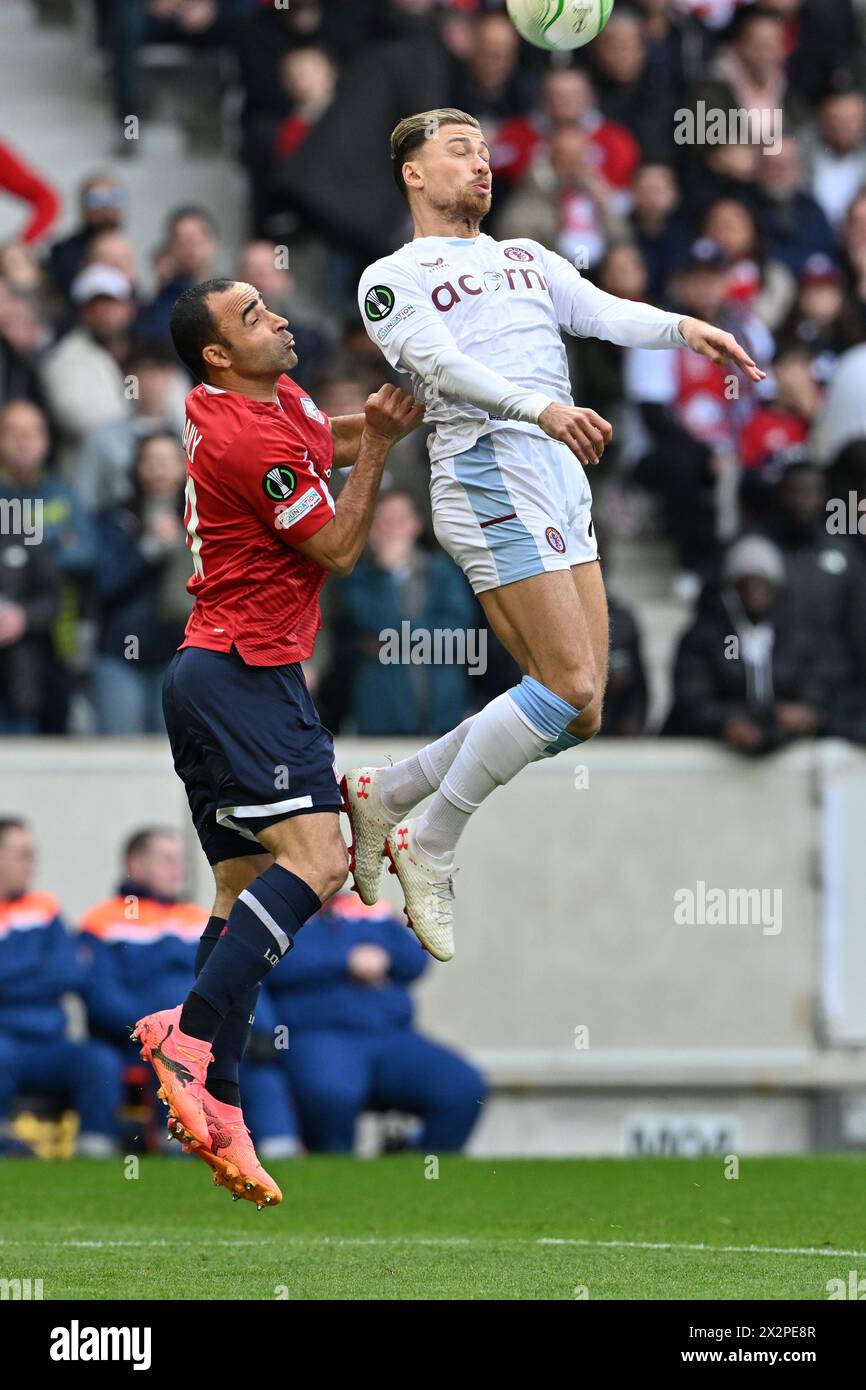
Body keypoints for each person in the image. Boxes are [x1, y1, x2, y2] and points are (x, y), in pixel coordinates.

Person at [346, 108, 764, 962]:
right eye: (457, 152)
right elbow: (442, 369)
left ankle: (385, 793)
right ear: (413, 174)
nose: (480, 165)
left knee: (582, 712)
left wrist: (685, 328)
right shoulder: (391, 276)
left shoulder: (525, 257)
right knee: (567, 683)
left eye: (486, 152)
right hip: (489, 465)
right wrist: (539, 406)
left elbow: (605, 313)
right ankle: (429, 842)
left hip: (558, 472)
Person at [130, 275, 423, 1209]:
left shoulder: (261, 398)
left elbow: (319, 440)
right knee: (324, 862)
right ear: (218, 354)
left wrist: (377, 426)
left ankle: (218, 1102)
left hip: (209, 672)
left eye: (268, 303)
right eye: (252, 317)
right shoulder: (245, 435)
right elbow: (336, 548)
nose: (279, 318)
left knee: (242, 885)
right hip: (249, 672)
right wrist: (378, 445)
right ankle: (189, 1035)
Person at [79, 827, 299, 1158]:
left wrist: (264, 1029)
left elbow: (245, 977)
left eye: (180, 860)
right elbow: (101, 996)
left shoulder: (202, 918)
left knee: (264, 1076)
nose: (176, 869)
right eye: (166, 859)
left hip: (212, 1042)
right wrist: (162, 1031)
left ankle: (281, 1165)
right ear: (135, 864)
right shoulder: (104, 921)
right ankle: (178, 1156)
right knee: (162, 1070)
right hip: (151, 1044)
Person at [265, 891, 485, 1154]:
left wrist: (384, 957)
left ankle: (419, 1171)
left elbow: (416, 960)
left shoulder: (369, 908)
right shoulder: (272, 909)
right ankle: (336, 1176)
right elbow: (269, 965)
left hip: (391, 1035)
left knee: (462, 1086)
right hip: (316, 1035)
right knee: (330, 1094)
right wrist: (346, 960)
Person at [0, 817, 123, 1156]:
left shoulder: (45, 908)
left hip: (47, 1045)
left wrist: (10, 980)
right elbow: (54, 972)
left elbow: (70, 973)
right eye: (23, 854)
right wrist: (37, 970)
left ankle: (94, 1147)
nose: (32, 863)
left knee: (99, 1060)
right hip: (3, 1043)